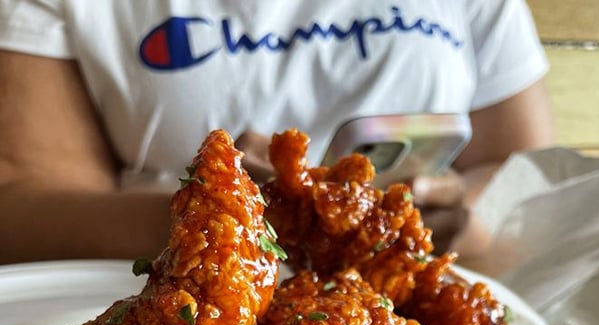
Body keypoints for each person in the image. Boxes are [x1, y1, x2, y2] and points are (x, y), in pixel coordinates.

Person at [0, 1, 554, 265]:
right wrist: (221, 215)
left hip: (416, 287)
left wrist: (456, 215)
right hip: (170, 296)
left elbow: (533, 173)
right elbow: (21, 211)